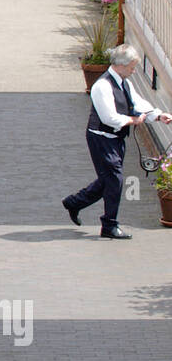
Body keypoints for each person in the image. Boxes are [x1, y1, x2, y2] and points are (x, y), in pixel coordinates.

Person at [63, 43, 172, 239]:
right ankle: (109, 225)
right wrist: (133, 120)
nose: (133, 71)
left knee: (109, 179)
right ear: (121, 65)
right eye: (132, 67)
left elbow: (137, 104)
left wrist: (158, 115)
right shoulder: (102, 86)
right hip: (101, 138)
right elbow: (109, 118)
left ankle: (75, 202)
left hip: (116, 138)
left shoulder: (124, 82)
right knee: (115, 179)